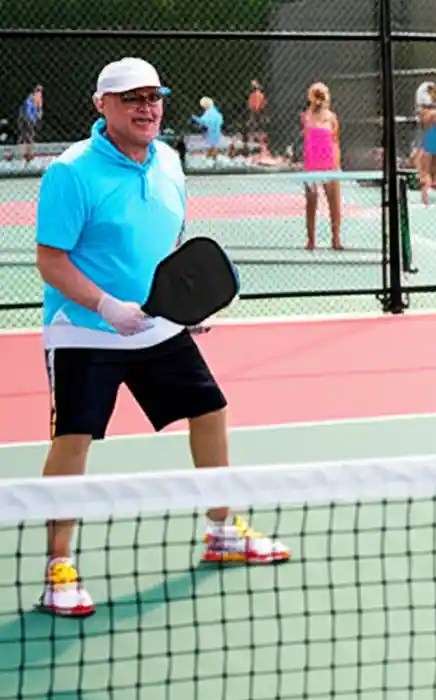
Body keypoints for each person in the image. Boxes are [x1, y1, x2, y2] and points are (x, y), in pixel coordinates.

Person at [34, 57, 291, 617]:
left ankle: (221, 532)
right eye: (132, 98)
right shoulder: (71, 172)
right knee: (74, 438)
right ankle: (59, 567)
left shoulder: (171, 161)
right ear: (102, 105)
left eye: (153, 97)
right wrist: (105, 306)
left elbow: (170, 241)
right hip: (83, 331)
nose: (146, 107)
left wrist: (184, 306)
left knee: (210, 410)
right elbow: (50, 261)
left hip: (155, 325)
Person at [299, 82, 343, 250]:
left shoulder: (331, 118)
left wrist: (337, 165)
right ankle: (311, 240)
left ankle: (335, 238)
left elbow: (335, 141)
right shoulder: (306, 116)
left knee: (333, 202)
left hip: (329, 165)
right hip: (311, 167)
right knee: (311, 203)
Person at [412, 81, 436, 205]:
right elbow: (428, 119)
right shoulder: (424, 112)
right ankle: (426, 201)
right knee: (425, 173)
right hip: (426, 143)